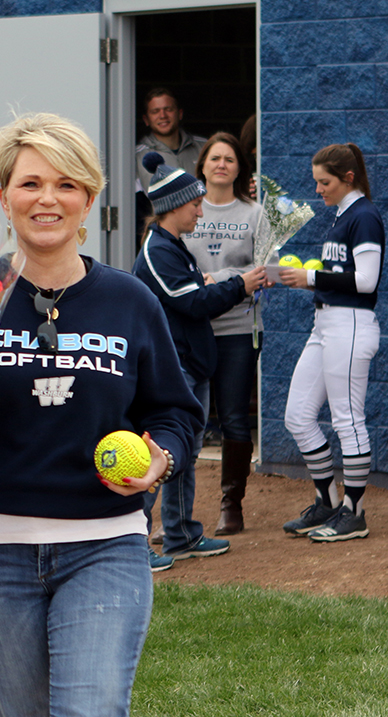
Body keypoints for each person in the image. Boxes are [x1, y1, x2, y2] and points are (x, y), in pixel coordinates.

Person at [0, 112, 202, 717]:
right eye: (30, 183)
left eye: (66, 183)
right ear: (5, 197)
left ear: (89, 198)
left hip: (104, 547)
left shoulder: (129, 300)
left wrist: (159, 461)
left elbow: (175, 409)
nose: (47, 198)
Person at [133, 152, 267, 565]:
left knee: (184, 457)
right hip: (174, 369)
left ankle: (180, 535)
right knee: (159, 456)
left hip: (190, 365)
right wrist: (239, 285)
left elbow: (188, 292)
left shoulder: (174, 247)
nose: (200, 210)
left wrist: (208, 281)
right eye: (195, 204)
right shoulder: (158, 250)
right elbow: (191, 303)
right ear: (175, 207)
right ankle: (134, 543)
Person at [280, 142, 384, 541]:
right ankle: (328, 501)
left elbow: (366, 281)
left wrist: (310, 278)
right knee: (297, 416)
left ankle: (354, 514)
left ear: (348, 178)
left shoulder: (365, 216)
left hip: (351, 323)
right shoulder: (343, 214)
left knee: (347, 419)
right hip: (325, 323)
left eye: (324, 182)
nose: (318, 189)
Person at [183, 132, 265, 535]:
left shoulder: (254, 213)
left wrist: (219, 278)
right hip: (192, 328)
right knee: (187, 419)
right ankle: (181, 512)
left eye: (229, 159)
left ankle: (232, 504)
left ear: (238, 167)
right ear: (202, 166)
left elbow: (264, 269)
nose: (221, 164)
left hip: (237, 328)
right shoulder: (187, 210)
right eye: (214, 158)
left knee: (233, 417)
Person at [134, 88, 207, 238]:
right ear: (146, 119)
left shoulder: (204, 148)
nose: (163, 115)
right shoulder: (136, 156)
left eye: (168, 109)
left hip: (205, 231)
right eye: (155, 111)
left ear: (179, 113)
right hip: (164, 235)